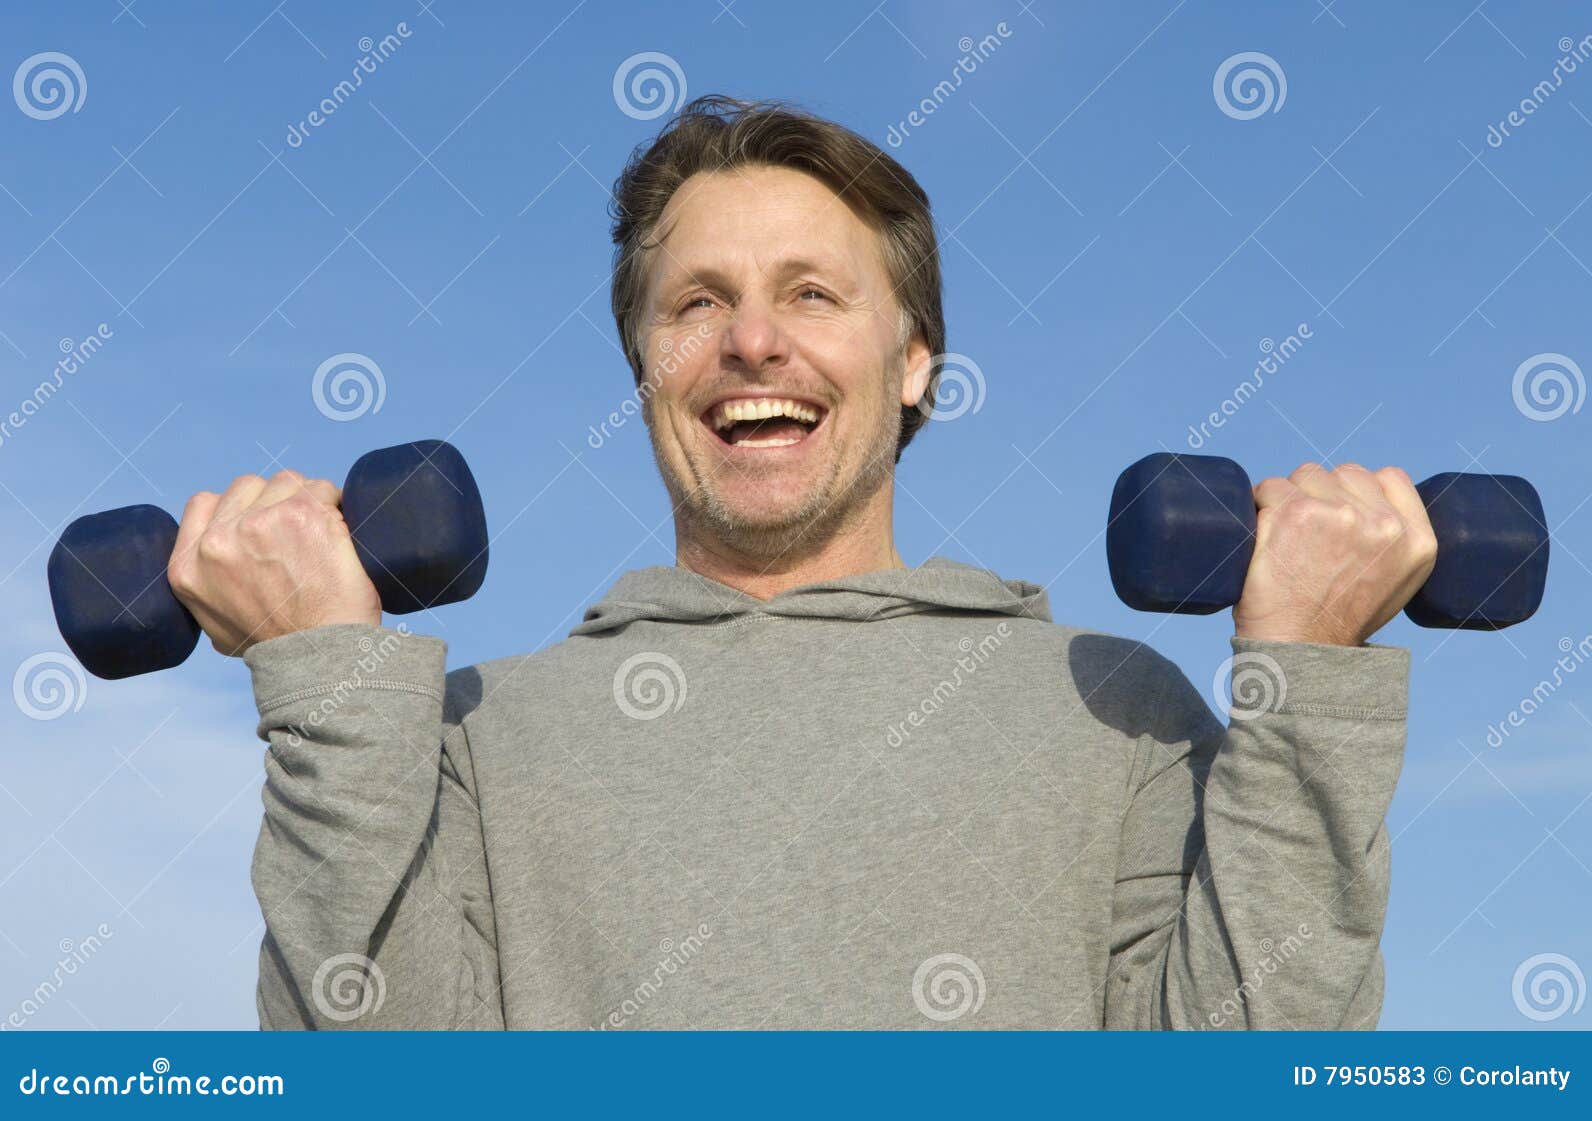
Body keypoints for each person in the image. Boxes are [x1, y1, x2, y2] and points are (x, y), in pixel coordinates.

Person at [166, 96, 1437, 1030]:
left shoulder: (1113, 708)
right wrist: (330, 679)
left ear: (915, 360)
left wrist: (1307, 673)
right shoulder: (470, 740)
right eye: (696, 303)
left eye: (812, 295)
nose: (752, 341)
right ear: (644, 367)